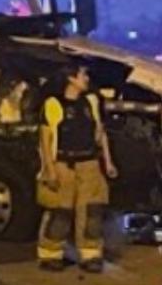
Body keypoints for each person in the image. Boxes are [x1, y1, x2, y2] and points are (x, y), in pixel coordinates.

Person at [36, 62, 117, 273]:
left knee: (92, 211)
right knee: (60, 212)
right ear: (70, 79)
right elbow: (46, 139)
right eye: (82, 75)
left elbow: (100, 133)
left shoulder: (90, 102)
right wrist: (49, 169)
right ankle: (50, 253)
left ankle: (90, 254)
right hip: (63, 164)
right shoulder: (53, 104)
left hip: (89, 163)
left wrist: (107, 162)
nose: (86, 79)